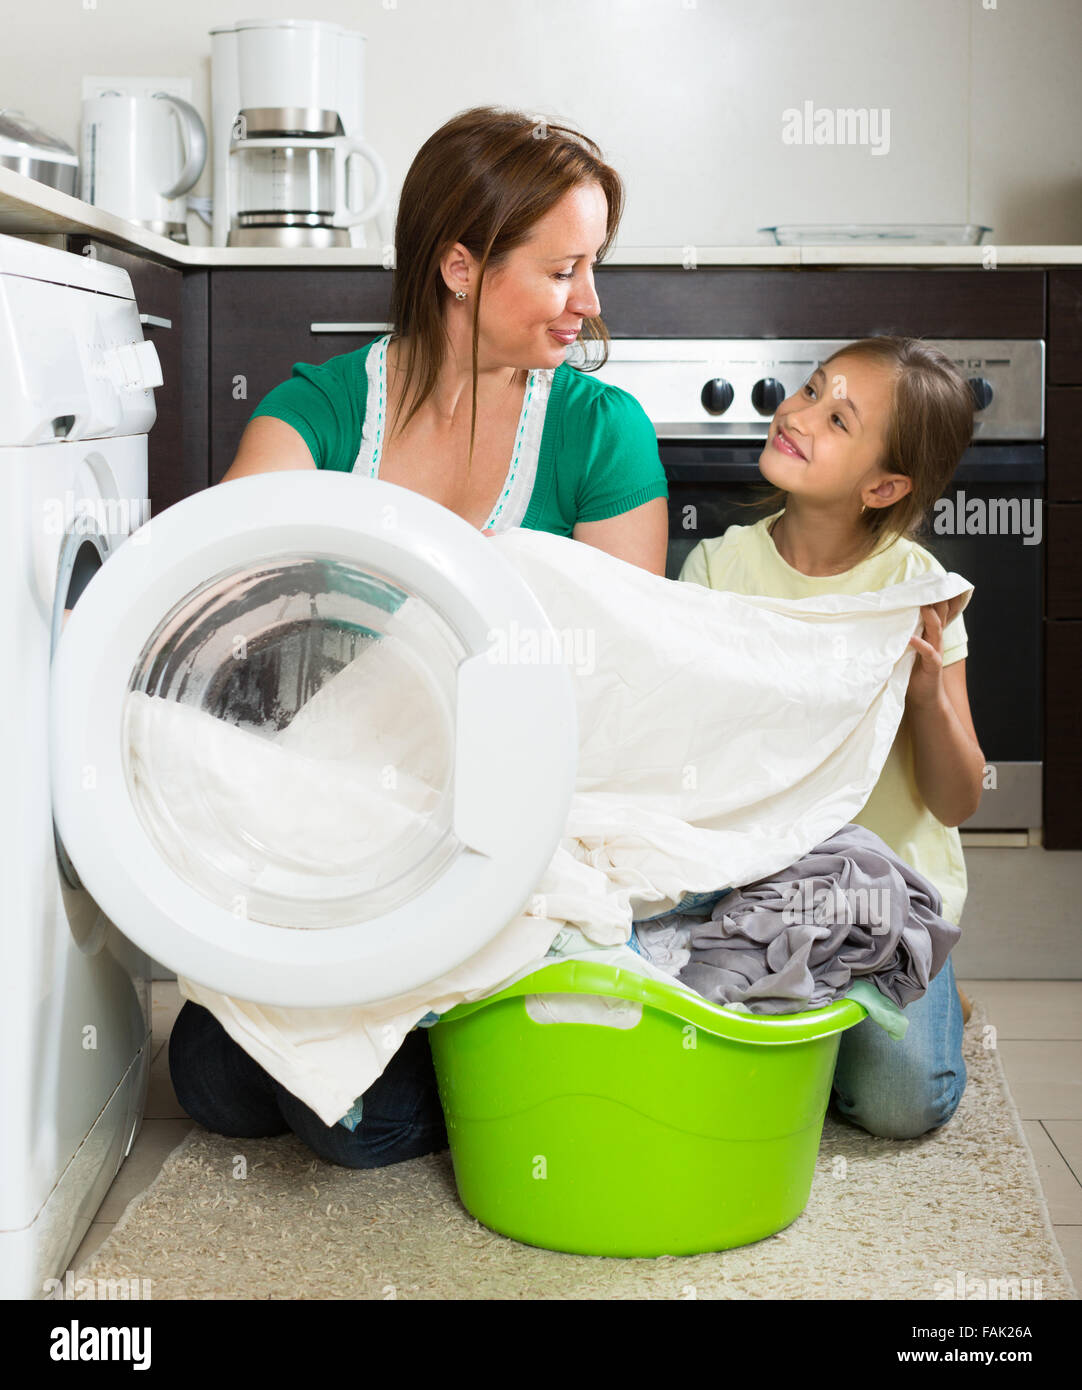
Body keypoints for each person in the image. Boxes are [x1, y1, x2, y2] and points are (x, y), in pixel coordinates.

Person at [169, 105, 669, 1168]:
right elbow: (213, 577)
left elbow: (618, 683)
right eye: (562, 270)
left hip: (509, 836)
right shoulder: (316, 409)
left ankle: (480, 1043)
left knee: (347, 1127)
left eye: (592, 268)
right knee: (210, 1083)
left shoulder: (597, 431)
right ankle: (452, 1045)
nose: (589, 303)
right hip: (340, 838)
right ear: (459, 267)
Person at [679, 336, 984, 1140]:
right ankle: (822, 1019)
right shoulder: (718, 570)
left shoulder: (912, 589)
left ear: (882, 485)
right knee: (696, 1054)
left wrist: (925, 691)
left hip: (886, 898)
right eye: (810, 390)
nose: (799, 414)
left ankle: (920, 993)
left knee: (900, 1104)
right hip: (759, 881)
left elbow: (957, 796)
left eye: (837, 418)